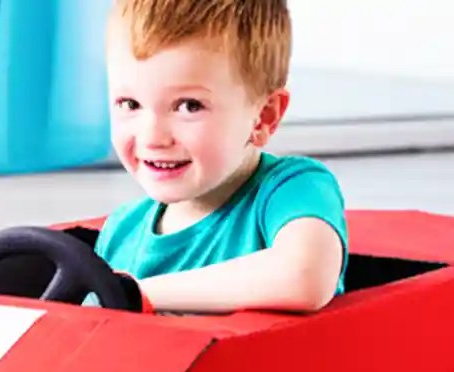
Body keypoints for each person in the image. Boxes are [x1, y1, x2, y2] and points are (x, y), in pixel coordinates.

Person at [93, 0, 348, 314]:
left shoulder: (291, 189)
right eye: (130, 104)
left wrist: (141, 293)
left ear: (262, 117)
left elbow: (305, 275)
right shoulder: (121, 230)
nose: (153, 137)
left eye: (189, 106)